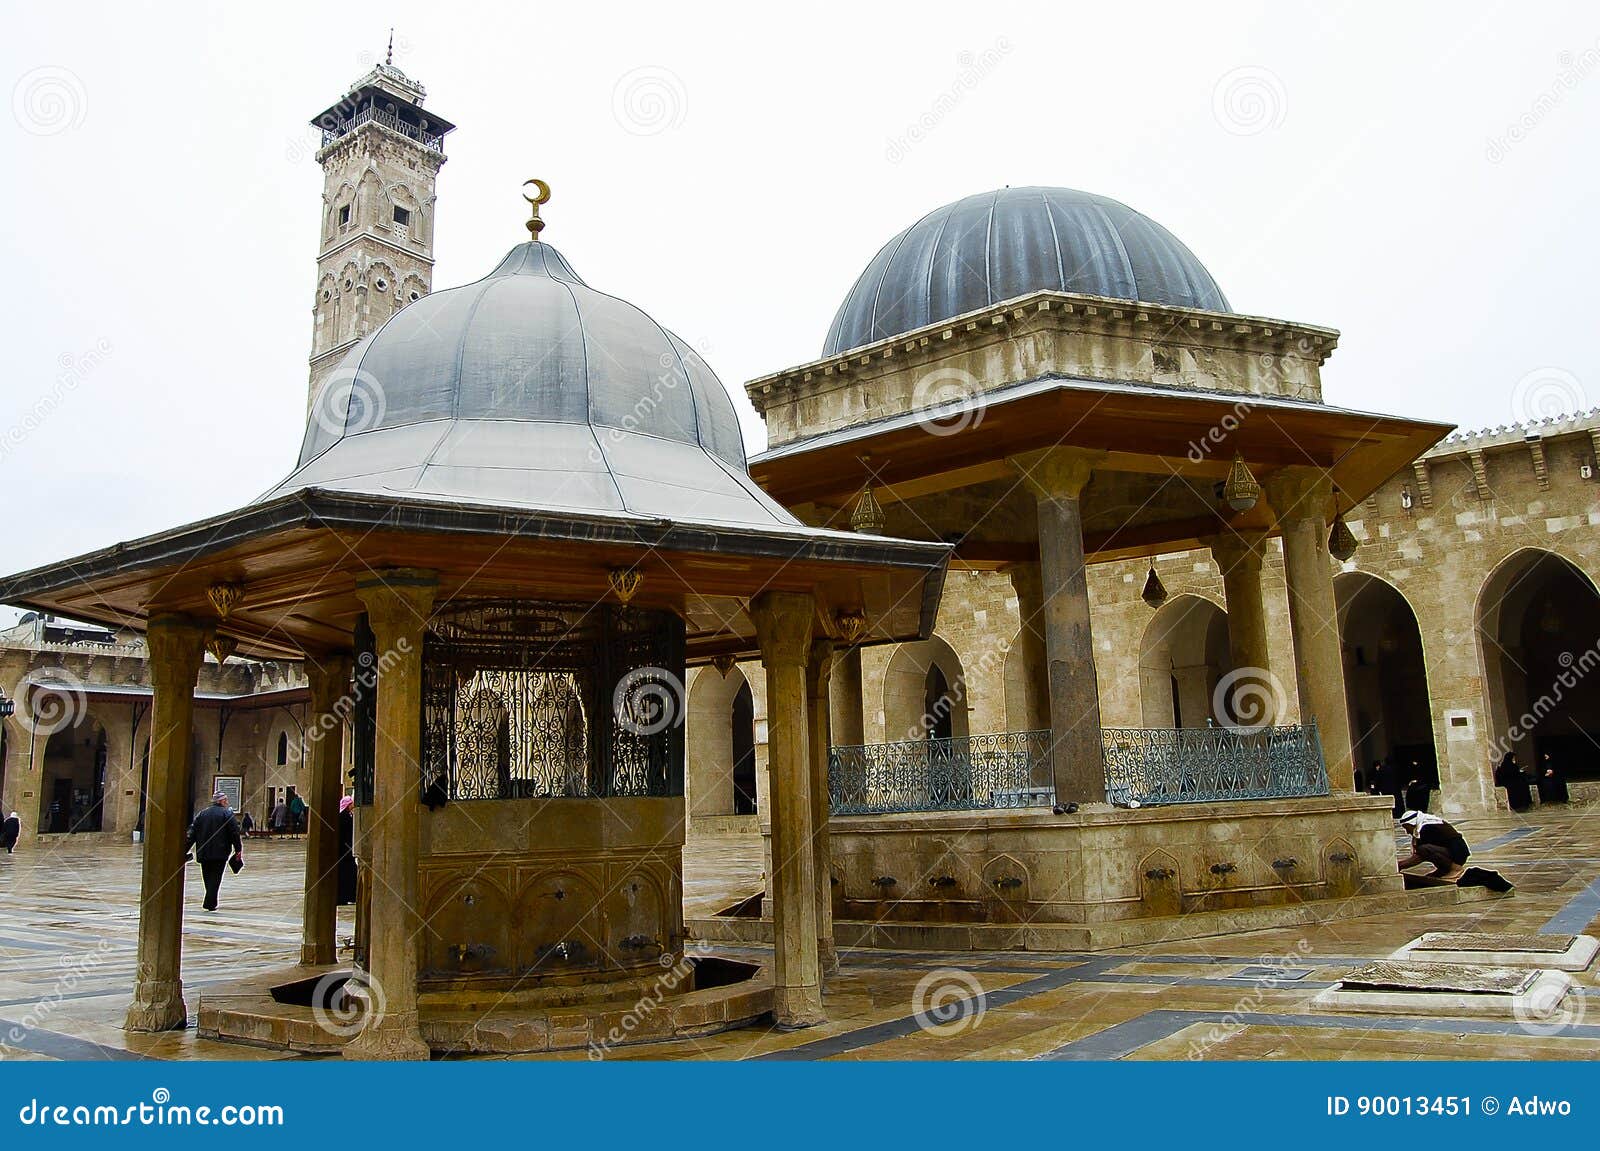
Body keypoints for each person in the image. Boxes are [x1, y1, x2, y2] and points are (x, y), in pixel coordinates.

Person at [187, 792, 243, 912]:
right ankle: (210, 902)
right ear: (221, 801)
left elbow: (192, 833)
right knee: (216, 877)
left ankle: (210, 899)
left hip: (203, 852)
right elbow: (234, 833)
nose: (227, 802)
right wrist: (238, 849)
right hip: (220, 852)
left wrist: (185, 849)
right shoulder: (227, 814)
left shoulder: (202, 814)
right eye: (225, 800)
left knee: (207, 877)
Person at [1398, 809, 1470, 881]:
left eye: (1407, 828)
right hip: (1453, 852)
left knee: (1425, 849)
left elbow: (1420, 856)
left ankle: (1456, 868)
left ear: (1412, 824)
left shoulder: (1427, 828)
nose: (1407, 832)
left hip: (1458, 855)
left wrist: (1400, 865)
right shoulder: (1427, 824)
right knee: (1425, 850)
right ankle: (1444, 870)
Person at [337, 795, 357, 906]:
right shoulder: (344, 817)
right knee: (347, 874)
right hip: (345, 851)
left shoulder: (347, 816)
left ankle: (348, 896)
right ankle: (346, 896)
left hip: (346, 850)